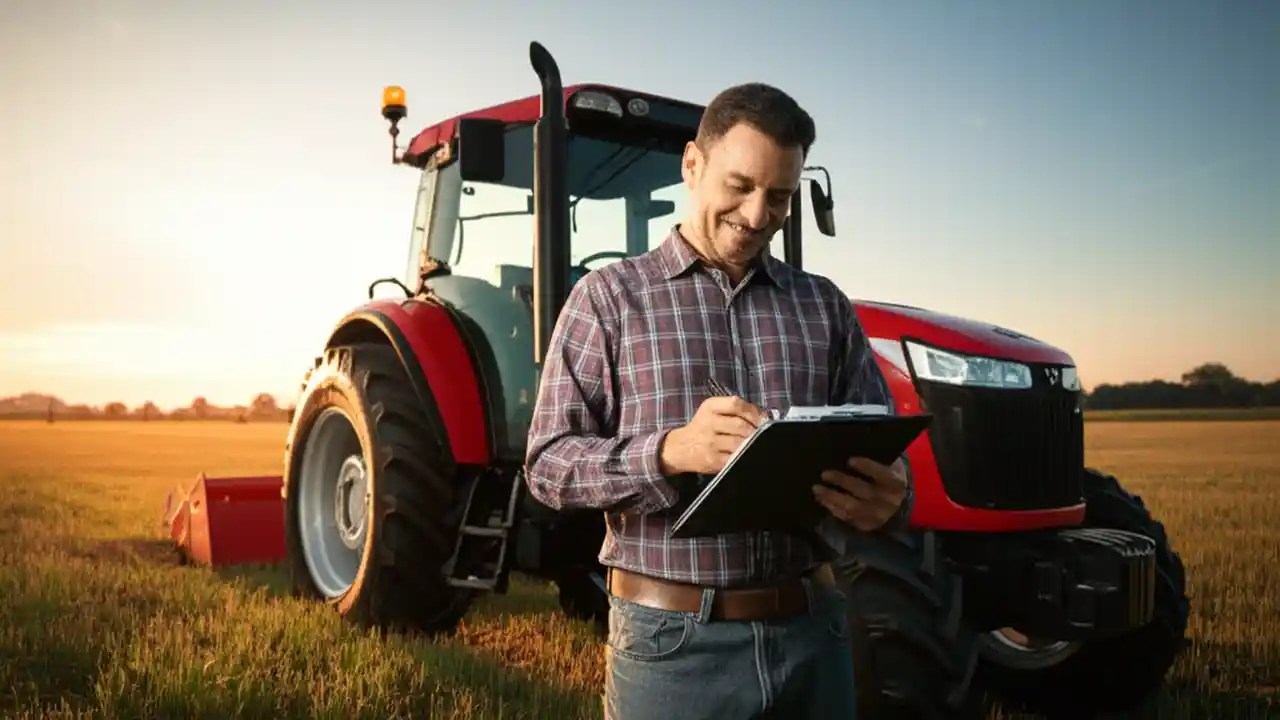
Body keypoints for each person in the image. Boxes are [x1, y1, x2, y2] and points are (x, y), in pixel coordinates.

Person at [524, 81, 912, 719]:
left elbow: (879, 457)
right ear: (692, 165)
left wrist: (888, 498)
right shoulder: (608, 299)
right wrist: (673, 451)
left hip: (816, 634)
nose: (760, 215)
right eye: (740, 186)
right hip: (674, 645)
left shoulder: (825, 306)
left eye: (780, 196)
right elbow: (546, 466)